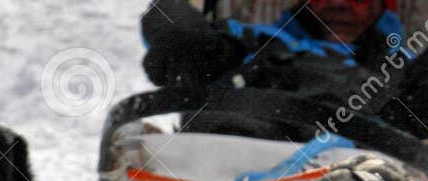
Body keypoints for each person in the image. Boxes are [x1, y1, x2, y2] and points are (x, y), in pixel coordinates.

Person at [141, 0, 428, 138]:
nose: (341, 3)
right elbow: (175, 31)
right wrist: (180, 28)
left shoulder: (405, 76)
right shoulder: (248, 43)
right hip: (223, 174)